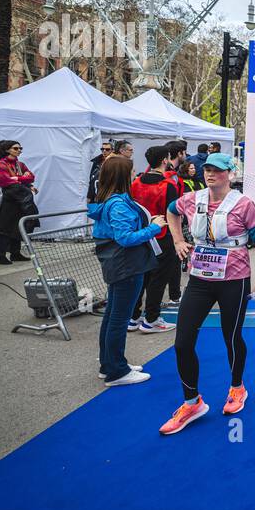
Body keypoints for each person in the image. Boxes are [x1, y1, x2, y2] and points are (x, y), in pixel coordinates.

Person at [160, 154, 255, 435]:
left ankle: (237, 387)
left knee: (231, 336)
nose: (211, 174)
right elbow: (171, 212)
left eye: (218, 170)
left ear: (230, 174)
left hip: (233, 279)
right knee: (183, 341)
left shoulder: (243, 204)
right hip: (200, 278)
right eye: (208, 169)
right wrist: (177, 240)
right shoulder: (191, 198)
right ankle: (191, 402)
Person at [88, 156, 165, 388]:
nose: (136, 174)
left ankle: (109, 364)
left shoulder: (111, 200)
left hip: (122, 265)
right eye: (132, 171)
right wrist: (154, 227)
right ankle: (116, 371)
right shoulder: (118, 203)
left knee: (114, 316)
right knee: (118, 319)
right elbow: (125, 238)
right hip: (127, 266)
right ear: (123, 175)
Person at [129, 145, 180, 333]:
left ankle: (133, 317)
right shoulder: (168, 186)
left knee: (141, 277)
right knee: (158, 280)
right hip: (162, 235)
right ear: (165, 160)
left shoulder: (136, 182)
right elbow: (173, 214)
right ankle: (151, 319)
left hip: (142, 235)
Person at [0, 140, 38, 264]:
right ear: (7, 150)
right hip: (8, 200)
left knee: (18, 227)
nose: (19, 150)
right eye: (16, 148)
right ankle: (0, 255)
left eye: (20, 148)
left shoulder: (20, 164)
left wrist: (16, 178)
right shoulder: (1, 164)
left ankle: (15, 253)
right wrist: (22, 178)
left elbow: (31, 177)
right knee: (4, 227)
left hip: (20, 200)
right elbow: (4, 181)